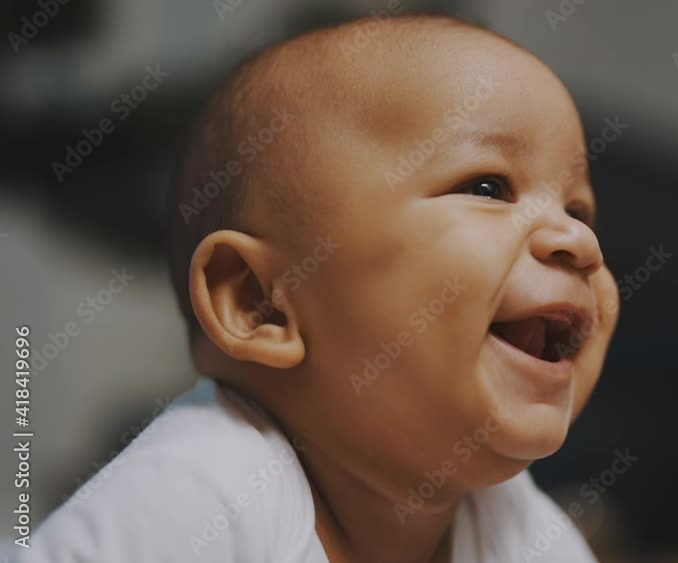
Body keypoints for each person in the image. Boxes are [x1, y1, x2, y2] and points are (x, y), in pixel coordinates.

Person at [30, 14, 619, 563]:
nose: (579, 241)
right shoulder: (195, 497)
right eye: (488, 188)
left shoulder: (525, 535)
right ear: (258, 300)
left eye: (579, 211)